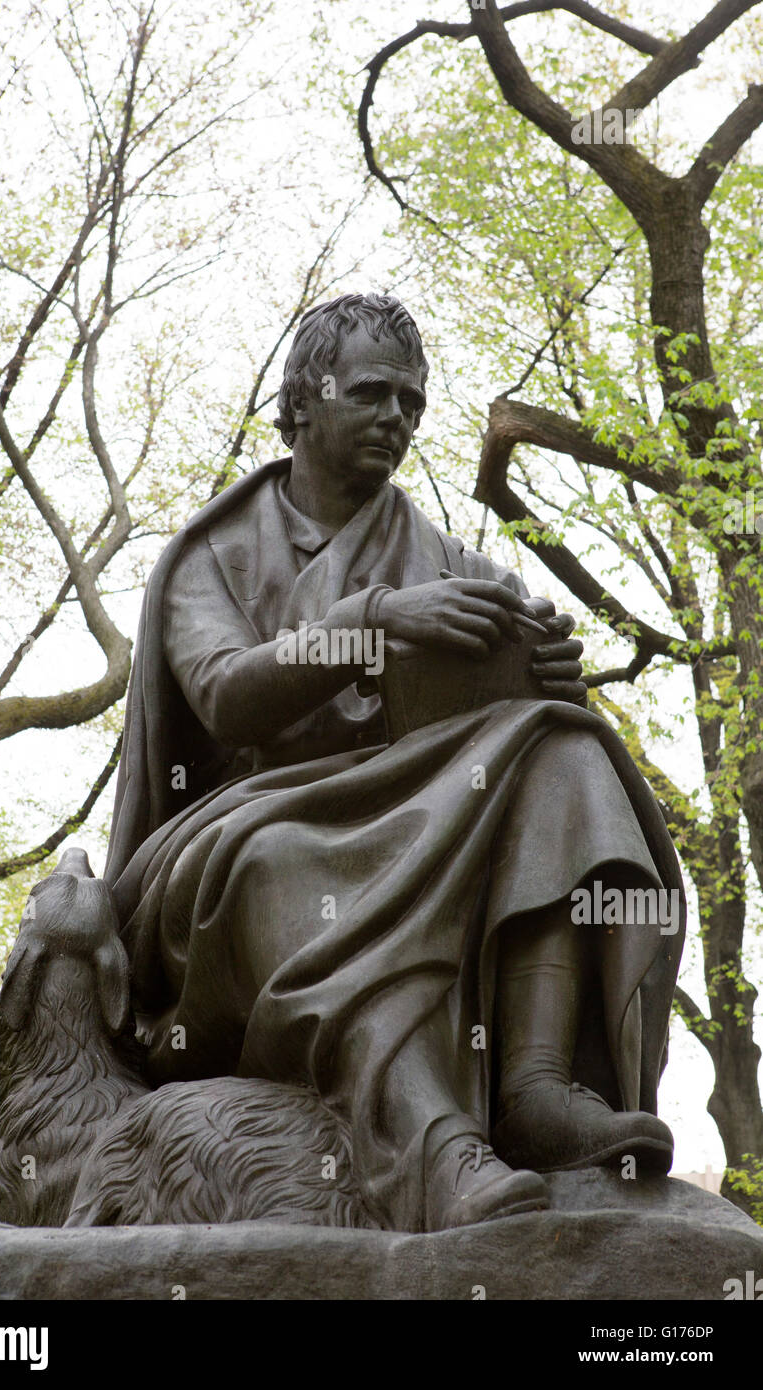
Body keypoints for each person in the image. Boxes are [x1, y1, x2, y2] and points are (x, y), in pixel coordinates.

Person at [105, 293, 684, 1233]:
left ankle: (534, 1086)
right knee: (280, 865)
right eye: (373, 394)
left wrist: (546, 676)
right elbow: (223, 694)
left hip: (413, 819)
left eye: (412, 405)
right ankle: (432, 1143)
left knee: (567, 751)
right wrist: (367, 624)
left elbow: (512, 686)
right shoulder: (211, 555)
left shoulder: (444, 555)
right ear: (301, 401)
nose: (397, 420)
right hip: (237, 840)